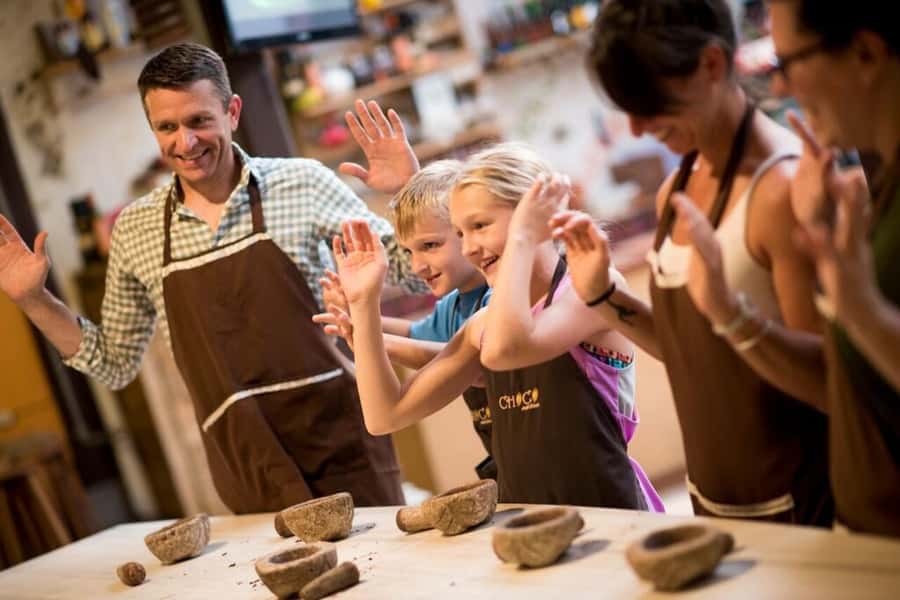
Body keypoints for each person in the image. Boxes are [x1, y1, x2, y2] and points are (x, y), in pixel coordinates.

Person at [0, 43, 426, 513]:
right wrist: (35, 300)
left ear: (232, 112)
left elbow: (415, 274)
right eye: (167, 127)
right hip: (249, 469)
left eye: (199, 120)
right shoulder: (136, 229)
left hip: (345, 446)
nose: (186, 143)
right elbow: (113, 364)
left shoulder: (303, 183)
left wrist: (410, 192)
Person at [551, 0, 832, 524]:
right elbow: (692, 355)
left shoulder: (782, 189)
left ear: (711, 64)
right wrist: (604, 296)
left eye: (647, 103)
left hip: (800, 510)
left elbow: (833, 387)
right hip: (715, 503)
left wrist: (734, 316)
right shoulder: (674, 191)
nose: (637, 128)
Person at [664, 0, 900, 537]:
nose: (778, 87)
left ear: (865, 53)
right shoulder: (875, 181)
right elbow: (852, 385)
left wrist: (859, 307)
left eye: (788, 64)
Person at [326, 143, 661, 510]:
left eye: (479, 226)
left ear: (535, 214)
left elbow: (505, 349)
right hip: (528, 526)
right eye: (461, 233)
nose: (469, 248)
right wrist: (363, 304)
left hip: (611, 518)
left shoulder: (587, 290)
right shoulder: (483, 324)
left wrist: (522, 238)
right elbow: (385, 415)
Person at [316, 158, 497, 478]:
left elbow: (470, 361)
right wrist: (358, 316)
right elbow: (417, 337)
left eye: (430, 245)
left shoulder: (497, 296)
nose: (417, 267)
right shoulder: (455, 305)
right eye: (409, 252)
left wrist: (367, 334)